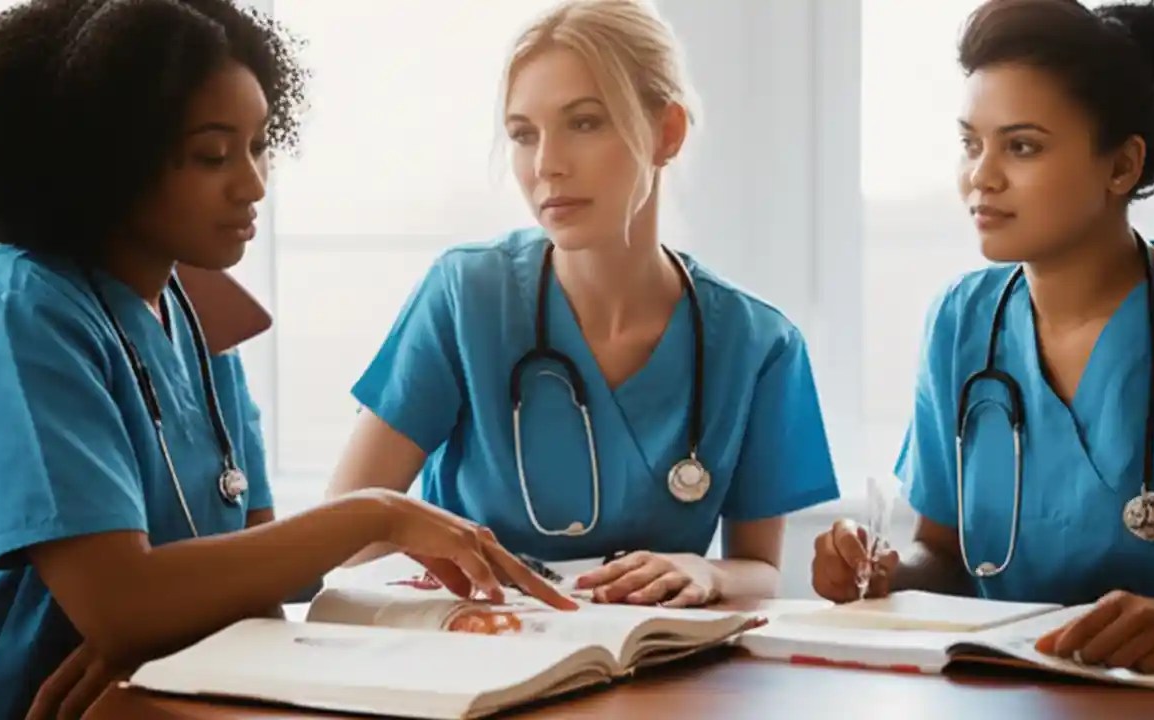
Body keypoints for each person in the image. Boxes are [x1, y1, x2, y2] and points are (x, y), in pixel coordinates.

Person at [0, 2, 572, 718]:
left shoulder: (196, 303)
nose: (253, 185)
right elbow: (120, 605)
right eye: (213, 155)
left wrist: (167, 628)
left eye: (258, 145)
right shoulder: (20, 310)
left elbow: (249, 576)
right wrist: (374, 515)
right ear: (109, 159)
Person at [327, 0, 839, 609]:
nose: (547, 164)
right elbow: (342, 536)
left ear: (666, 133)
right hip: (479, 656)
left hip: (655, 683)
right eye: (523, 135)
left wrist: (708, 574)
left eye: (585, 123)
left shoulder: (757, 345)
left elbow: (759, 567)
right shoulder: (466, 298)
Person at [811, 0, 1154, 673]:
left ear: (1121, 167)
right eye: (972, 143)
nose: (982, 176)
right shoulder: (961, 322)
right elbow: (943, 556)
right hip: (1008, 692)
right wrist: (880, 573)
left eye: (1021, 146)